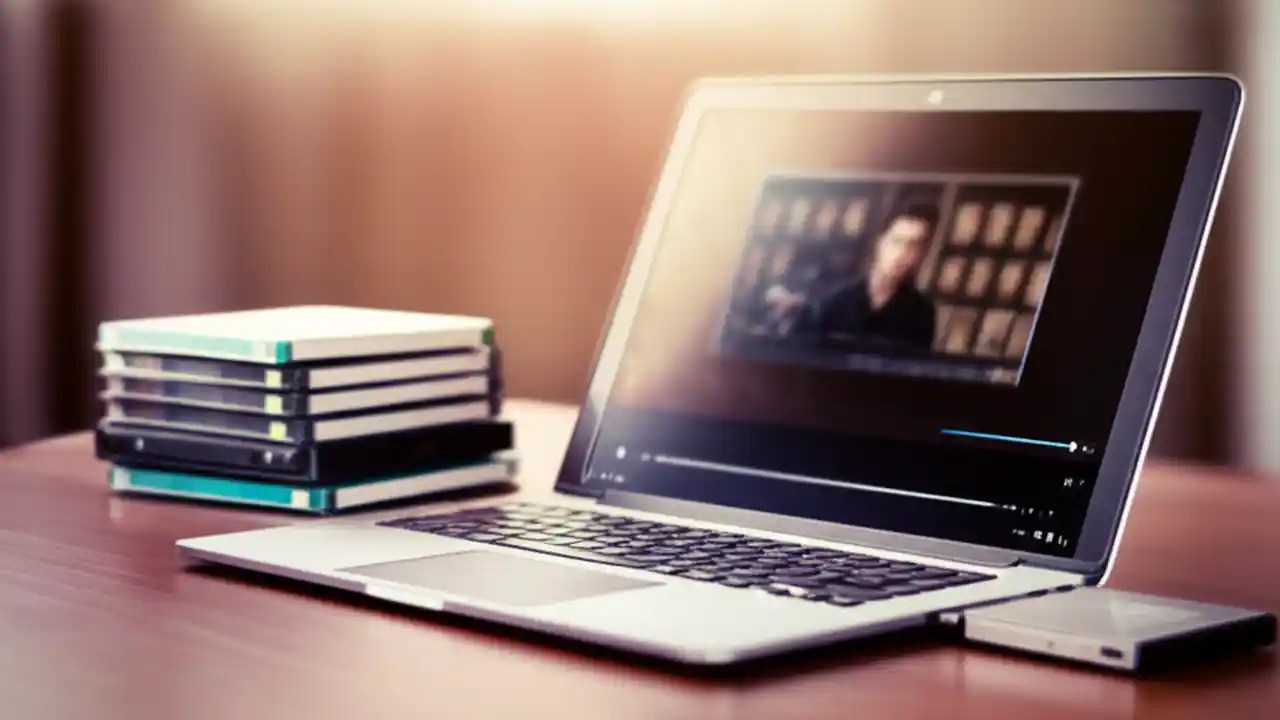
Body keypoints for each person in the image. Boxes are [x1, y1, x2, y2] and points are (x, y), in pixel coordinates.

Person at [817, 202, 939, 350]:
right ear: (880, 242)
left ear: (922, 254)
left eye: (913, 246)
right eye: (897, 241)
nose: (902, 253)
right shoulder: (835, 299)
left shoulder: (922, 313)